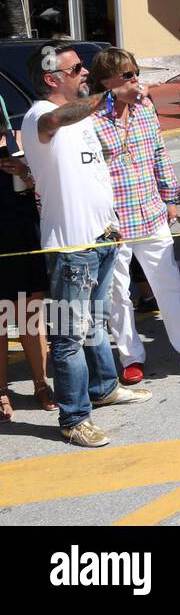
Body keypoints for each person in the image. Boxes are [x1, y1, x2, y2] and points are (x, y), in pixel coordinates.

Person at [21, 42, 151, 447]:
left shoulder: (82, 117)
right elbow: (56, 119)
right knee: (68, 336)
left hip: (101, 237)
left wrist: (111, 225)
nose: (85, 73)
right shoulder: (40, 114)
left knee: (95, 323)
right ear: (51, 78)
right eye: (76, 68)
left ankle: (104, 388)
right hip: (71, 246)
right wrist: (110, 94)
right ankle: (74, 418)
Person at [89, 49, 180, 382]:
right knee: (118, 294)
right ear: (106, 81)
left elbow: (159, 154)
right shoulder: (91, 119)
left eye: (136, 72)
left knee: (171, 287)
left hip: (150, 213)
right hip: (113, 221)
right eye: (127, 75)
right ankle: (131, 357)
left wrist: (170, 198)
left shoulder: (145, 109)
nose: (136, 79)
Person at [0, 114, 57, 421]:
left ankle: (41, 384)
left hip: (23, 233)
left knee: (31, 316)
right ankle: (1, 392)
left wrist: (25, 171)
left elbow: (48, 183)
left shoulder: (19, 139)